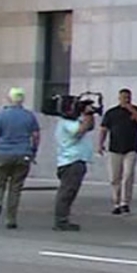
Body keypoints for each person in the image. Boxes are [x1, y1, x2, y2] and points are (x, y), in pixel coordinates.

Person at [0, 88, 40, 230]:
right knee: (16, 188)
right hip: (23, 153)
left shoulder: (2, 115)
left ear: (9, 99)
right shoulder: (29, 116)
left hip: (3, 153)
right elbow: (35, 136)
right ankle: (11, 219)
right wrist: (33, 151)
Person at [97, 88, 137, 215]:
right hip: (115, 148)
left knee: (128, 174)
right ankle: (116, 202)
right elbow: (103, 129)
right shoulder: (111, 113)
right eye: (123, 97)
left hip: (131, 148)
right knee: (115, 177)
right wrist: (100, 144)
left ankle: (125, 202)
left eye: (128, 97)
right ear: (119, 98)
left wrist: (132, 110)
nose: (126, 99)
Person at [52, 98, 97, 231]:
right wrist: (88, 114)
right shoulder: (66, 123)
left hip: (75, 161)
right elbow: (80, 131)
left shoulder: (72, 122)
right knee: (66, 192)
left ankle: (63, 219)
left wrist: (90, 114)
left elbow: (89, 126)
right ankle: (61, 221)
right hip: (71, 161)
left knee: (70, 192)